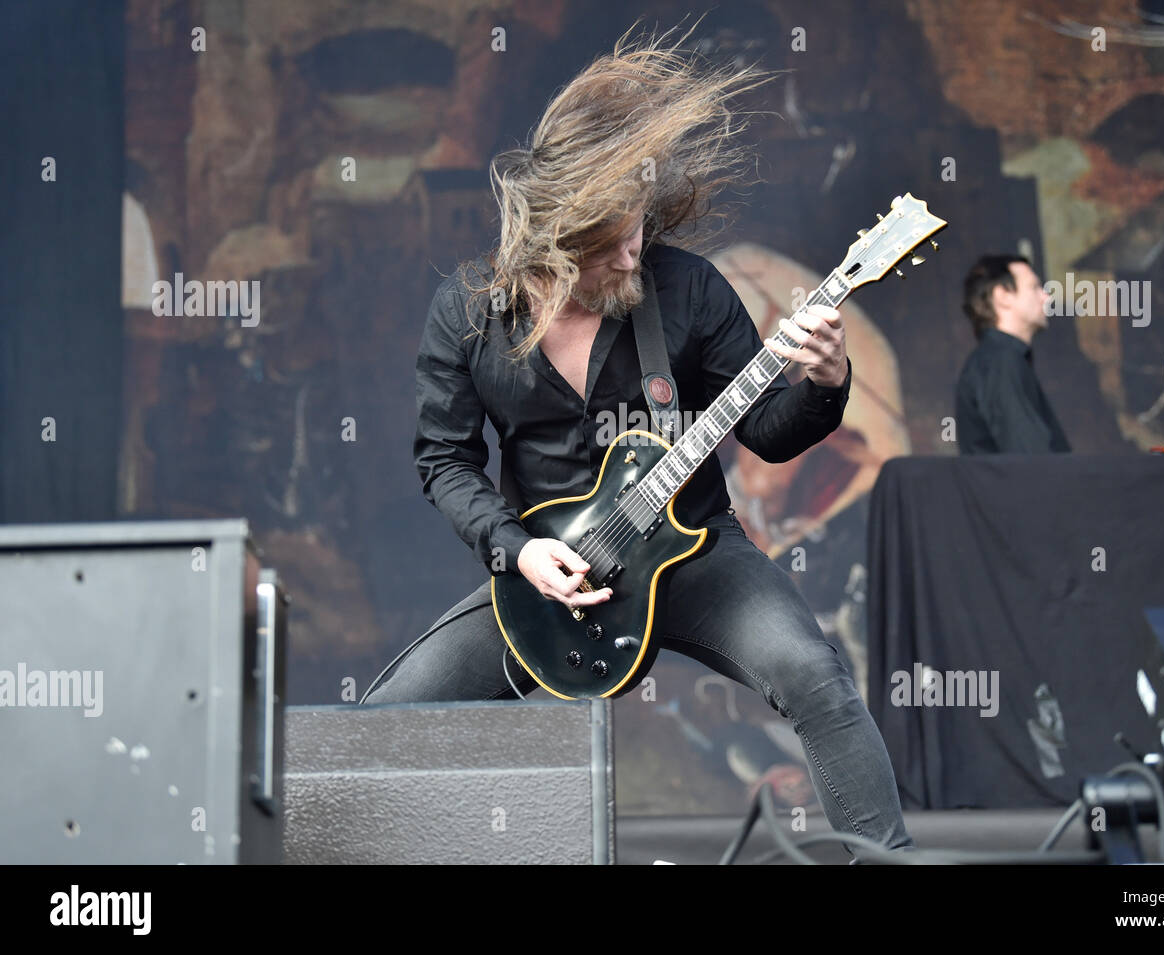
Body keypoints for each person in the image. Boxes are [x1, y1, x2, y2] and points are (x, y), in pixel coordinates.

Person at [361, 27, 913, 858]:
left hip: (695, 551)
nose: (633, 249)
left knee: (818, 678)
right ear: (557, 234)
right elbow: (444, 459)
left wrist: (826, 383)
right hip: (555, 574)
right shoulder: (470, 310)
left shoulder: (685, 288)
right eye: (610, 240)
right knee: (380, 726)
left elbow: (766, 431)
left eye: (637, 228)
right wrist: (517, 551)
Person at [954, 255, 1072, 454]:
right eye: (1034, 287)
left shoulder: (1001, 360)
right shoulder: (1000, 361)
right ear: (1003, 296)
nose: (1046, 297)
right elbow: (1030, 460)